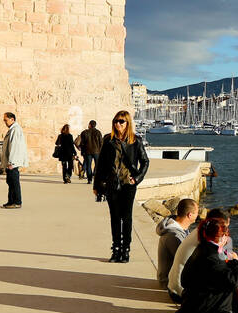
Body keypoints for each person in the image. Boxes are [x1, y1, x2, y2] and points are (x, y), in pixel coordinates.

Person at [168, 215, 238, 313]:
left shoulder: (200, 249)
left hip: (189, 305)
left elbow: (184, 280)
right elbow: (234, 281)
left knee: (224, 279)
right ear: (223, 238)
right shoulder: (213, 258)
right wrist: (235, 262)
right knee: (230, 284)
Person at [93, 110, 149, 262]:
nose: (118, 124)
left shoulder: (135, 141)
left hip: (127, 184)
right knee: (115, 218)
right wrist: (96, 184)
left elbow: (145, 161)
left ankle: (126, 250)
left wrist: (136, 178)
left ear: (127, 123)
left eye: (121, 121)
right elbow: (101, 164)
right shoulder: (108, 140)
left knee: (127, 217)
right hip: (112, 183)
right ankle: (116, 249)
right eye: (116, 121)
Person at [157, 198, 198, 298]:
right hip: (167, 281)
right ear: (190, 215)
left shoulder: (177, 228)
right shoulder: (173, 236)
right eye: (197, 212)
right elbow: (185, 262)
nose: (198, 215)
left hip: (169, 276)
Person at [0, 111, 27, 208]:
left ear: (12, 119)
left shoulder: (15, 130)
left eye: (6, 120)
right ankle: (11, 201)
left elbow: (14, 147)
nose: (5, 122)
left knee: (14, 182)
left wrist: (12, 162)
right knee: (10, 181)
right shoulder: (13, 129)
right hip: (11, 162)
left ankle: (17, 202)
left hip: (13, 162)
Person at [76, 120, 104, 192]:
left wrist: (82, 150)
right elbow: (101, 142)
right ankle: (96, 177)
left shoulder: (85, 132)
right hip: (96, 151)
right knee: (98, 165)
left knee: (88, 165)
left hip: (88, 151)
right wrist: (101, 151)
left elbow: (82, 143)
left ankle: (89, 179)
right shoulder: (98, 132)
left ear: (89, 125)